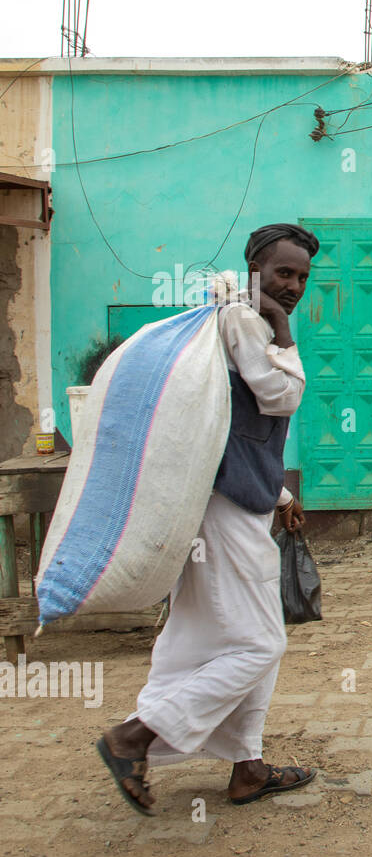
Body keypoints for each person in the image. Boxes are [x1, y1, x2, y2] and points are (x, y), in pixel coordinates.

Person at [95, 222, 319, 815]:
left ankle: (247, 768)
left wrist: (278, 495)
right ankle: (133, 738)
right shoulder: (247, 318)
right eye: (283, 274)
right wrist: (283, 326)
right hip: (224, 514)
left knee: (198, 640)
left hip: (223, 499)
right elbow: (280, 395)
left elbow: (225, 426)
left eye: (301, 277)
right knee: (259, 644)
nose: (293, 286)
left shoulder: (224, 313)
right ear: (255, 270)